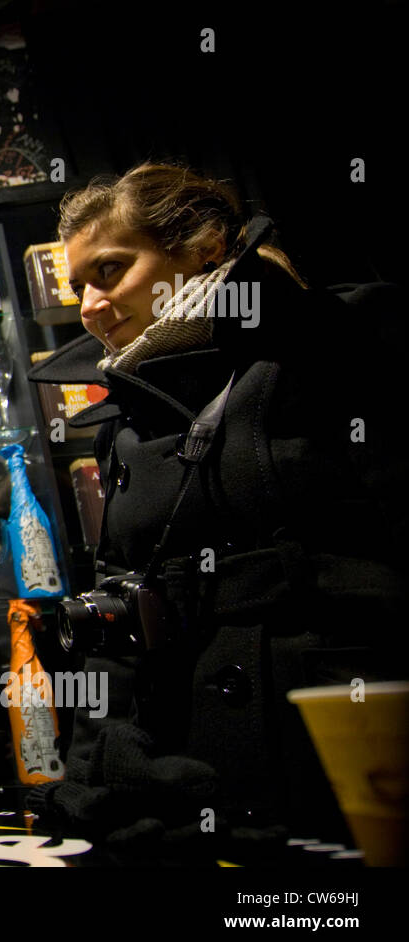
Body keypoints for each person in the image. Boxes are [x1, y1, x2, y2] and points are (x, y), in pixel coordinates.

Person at [26, 162, 408, 851]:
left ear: (202, 247)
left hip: (350, 766)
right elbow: (117, 617)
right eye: (77, 284)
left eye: (109, 271)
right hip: (193, 783)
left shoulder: (331, 343)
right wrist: (97, 767)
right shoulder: (124, 424)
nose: (86, 305)